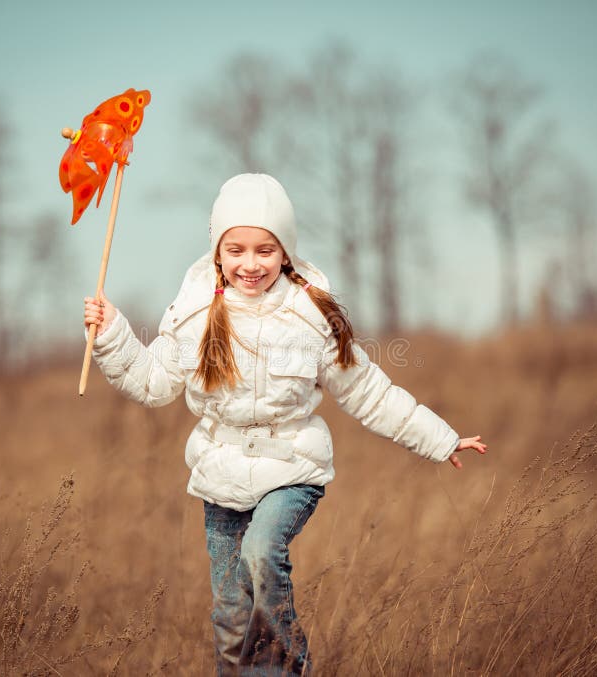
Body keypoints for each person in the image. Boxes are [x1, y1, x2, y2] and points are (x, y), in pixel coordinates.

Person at [83, 173, 487, 675]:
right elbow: (151, 382)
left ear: (286, 253)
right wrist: (112, 335)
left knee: (260, 550)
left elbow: (368, 391)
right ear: (217, 252)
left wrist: (439, 438)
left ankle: (288, 667)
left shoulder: (311, 316)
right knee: (231, 617)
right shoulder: (194, 314)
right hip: (220, 475)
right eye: (236, 250)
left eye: (265, 250)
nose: (249, 264)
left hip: (292, 467)